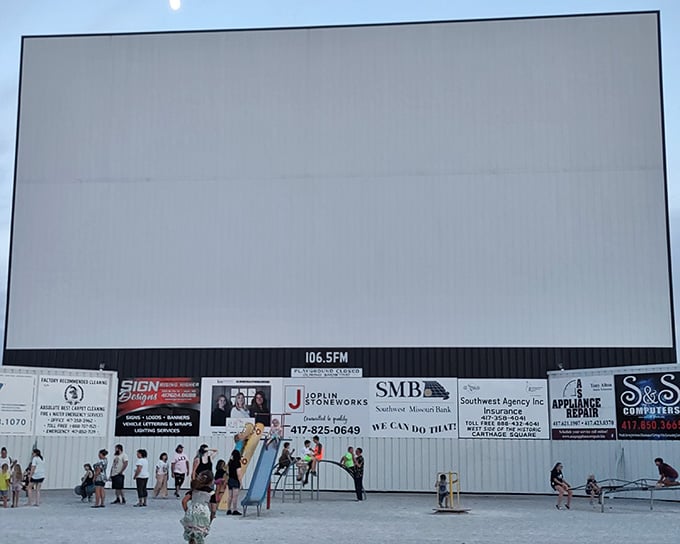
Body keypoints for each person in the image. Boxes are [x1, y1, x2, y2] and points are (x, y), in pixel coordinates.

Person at [181, 470, 214, 544]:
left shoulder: (193, 490)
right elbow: (213, 509)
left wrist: (187, 511)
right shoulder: (211, 492)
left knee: (192, 534)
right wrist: (212, 517)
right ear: (211, 481)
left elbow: (184, 501)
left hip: (192, 512)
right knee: (199, 535)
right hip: (203, 513)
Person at [226, 449, 243, 516]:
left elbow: (227, 472)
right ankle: (234, 510)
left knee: (230, 496)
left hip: (230, 479)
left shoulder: (230, 463)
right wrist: (241, 483)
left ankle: (228, 509)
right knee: (235, 496)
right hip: (235, 480)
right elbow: (238, 474)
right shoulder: (237, 463)